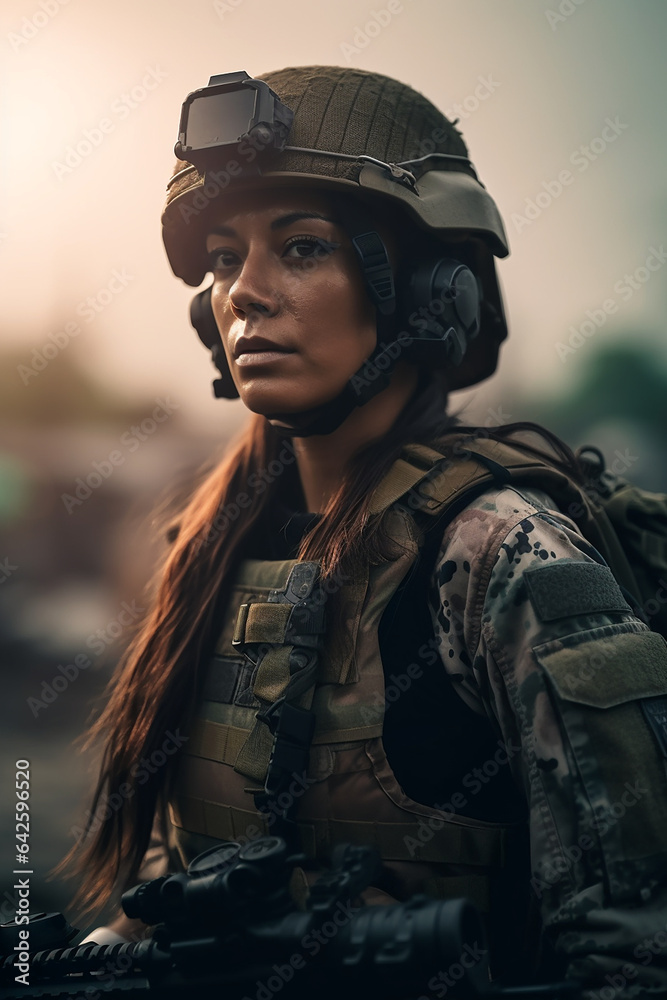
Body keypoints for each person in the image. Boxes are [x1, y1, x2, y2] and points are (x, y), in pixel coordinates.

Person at [65, 66, 667, 996]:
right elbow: (165, 870)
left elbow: (637, 949)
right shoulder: (210, 545)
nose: (245, 295)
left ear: (431, 293)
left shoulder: (499, 550)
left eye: (301, 248)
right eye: (224, 259)